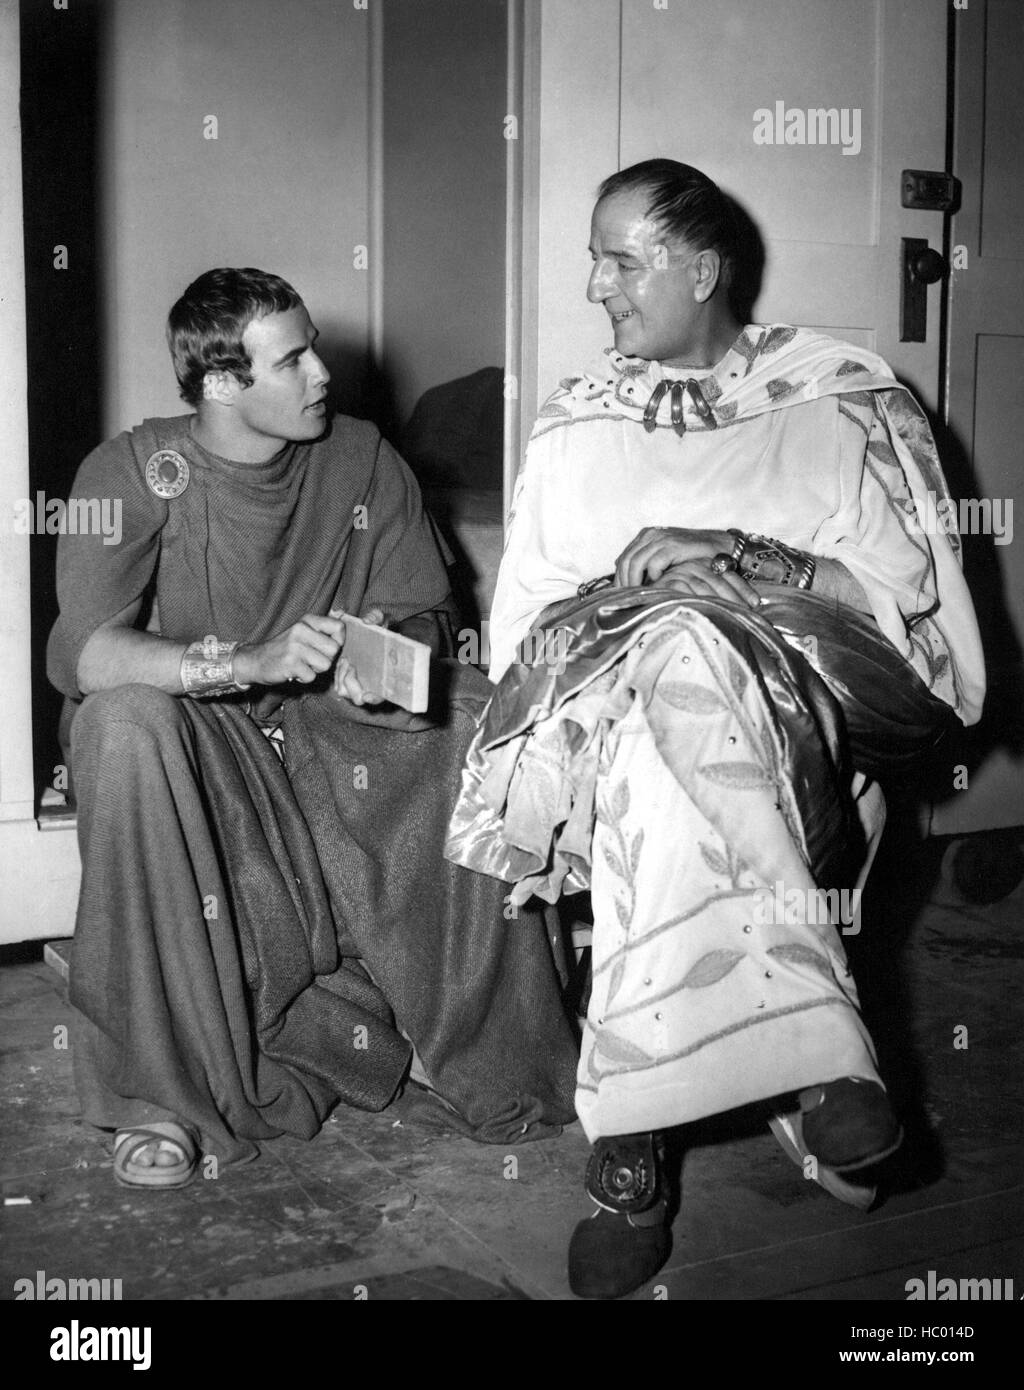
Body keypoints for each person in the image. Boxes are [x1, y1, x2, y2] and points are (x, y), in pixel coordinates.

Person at [446, 161, 986, 1299]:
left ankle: (631, 1149)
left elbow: (912, 622)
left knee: (687, 675)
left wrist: (737, 563)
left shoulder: (836, 398)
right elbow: (525, 638)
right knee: (668, 681)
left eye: (620, 260)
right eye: (595, 260)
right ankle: (825, 1059)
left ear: (702, 269)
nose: (594, 286)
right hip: (607, 722)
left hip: (810, 721)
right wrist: (640, 611)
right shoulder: (579, 421)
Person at [48, 267, 577, 1190]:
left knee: (466, 709)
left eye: (313, 350)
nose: (321, 373)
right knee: (121, 724)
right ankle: (155, 1098)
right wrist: (247, 662)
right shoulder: (132, 471)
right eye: (291, 360)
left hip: (328, 730)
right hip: (194, 734)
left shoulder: (362, 457)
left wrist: (382, 653)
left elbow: (426, 615)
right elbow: (89, 655)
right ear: (222, 384)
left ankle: (487, 1056)